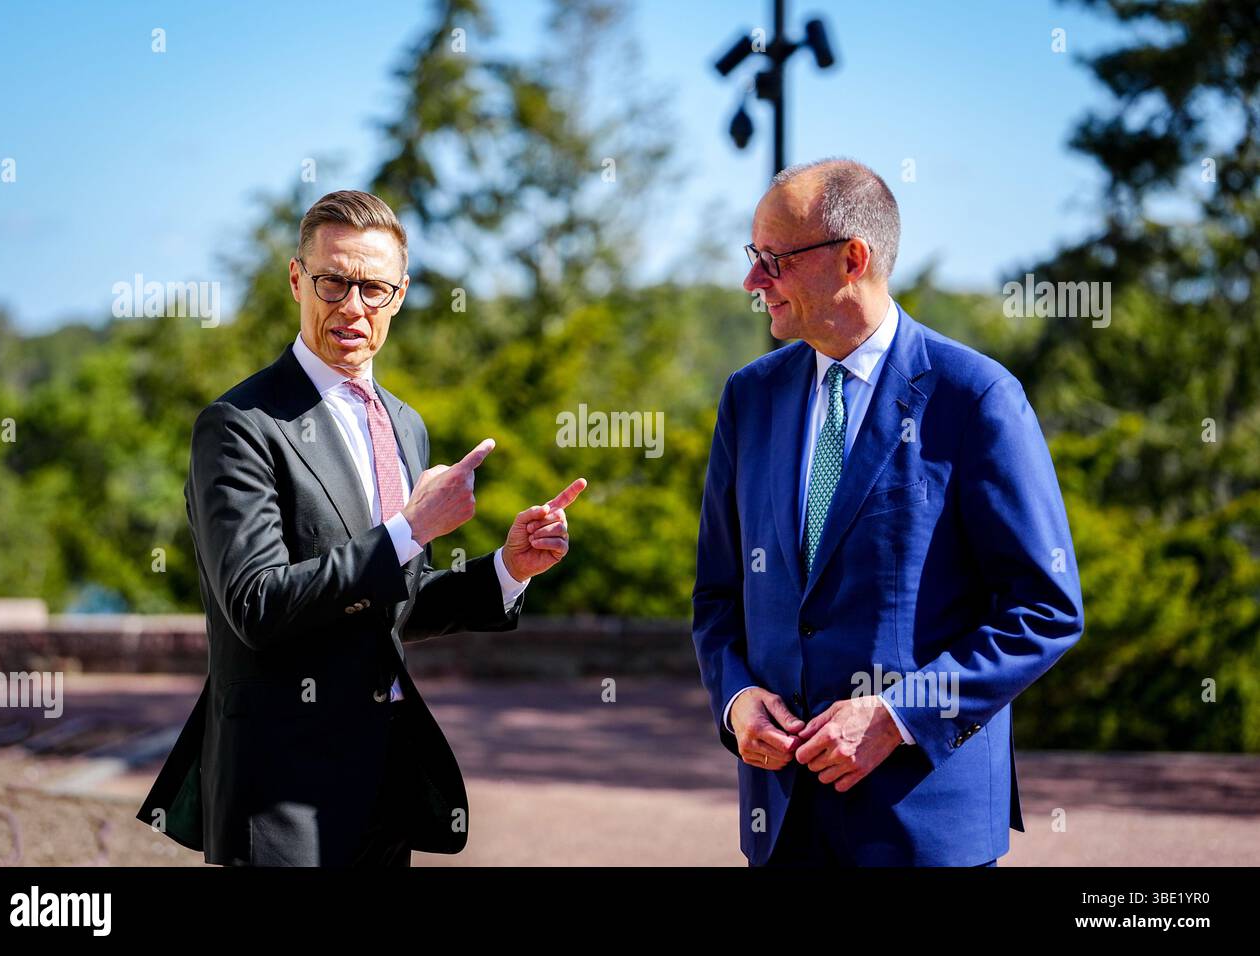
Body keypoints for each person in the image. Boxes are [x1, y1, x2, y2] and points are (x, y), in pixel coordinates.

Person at [137, 189, 585, 866]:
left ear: (398, 296)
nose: (352, 307)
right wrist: (410, 528)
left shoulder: (403, 424)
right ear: (297, 280)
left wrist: (508, 569)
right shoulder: (239, 427)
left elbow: (386, 604)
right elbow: (257, 606)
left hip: (386, 780)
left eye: (373, 288)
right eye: (333, 282)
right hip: (283, 790)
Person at [691, 159, 1084, 866]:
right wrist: (738, 700)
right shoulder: (749, 398)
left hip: (922, 825)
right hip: (779, 824)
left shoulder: (976, 398)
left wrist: (899, 716)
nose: (753, 282)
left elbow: (1045, 608)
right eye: (754, 258)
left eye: (773, 260)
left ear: (853, 258)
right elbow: (718, 595)